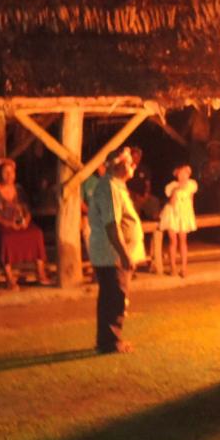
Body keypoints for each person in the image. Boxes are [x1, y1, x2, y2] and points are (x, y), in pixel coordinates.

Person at [88, 147, 145, 354]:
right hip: (110, 254)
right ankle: (110, 342)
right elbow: (112, 225)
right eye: (129, 162)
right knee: (114, 297)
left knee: (112, 297)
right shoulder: (109, 187)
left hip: (112, 254)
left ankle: (108, 340)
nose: (133, 166)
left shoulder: (116, 186)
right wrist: (124, 253)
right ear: (118, 165)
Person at [0, 158, 49, 289]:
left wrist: (26, 221)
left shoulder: (18, 189)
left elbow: (27, 209)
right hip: (3, 224)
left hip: (20, 222)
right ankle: (9, 278)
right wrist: (6, 223)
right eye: (5, 172)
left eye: (11, 172)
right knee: (7, 239)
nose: (9, 175)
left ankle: (40, 272)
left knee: (37, 233)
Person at [160, 163, 198, 277]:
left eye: (186, 173)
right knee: (173, 241)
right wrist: (176, 190)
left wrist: (191, 215)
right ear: (177, 174)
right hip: (172, 214)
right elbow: (171, 202)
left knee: (183, 240)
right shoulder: (171, 186)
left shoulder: (192, 184)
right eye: (181, 173)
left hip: (184, 214)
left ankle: (184, 268)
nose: (183, 176)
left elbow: (191, 200)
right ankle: (172, 267)